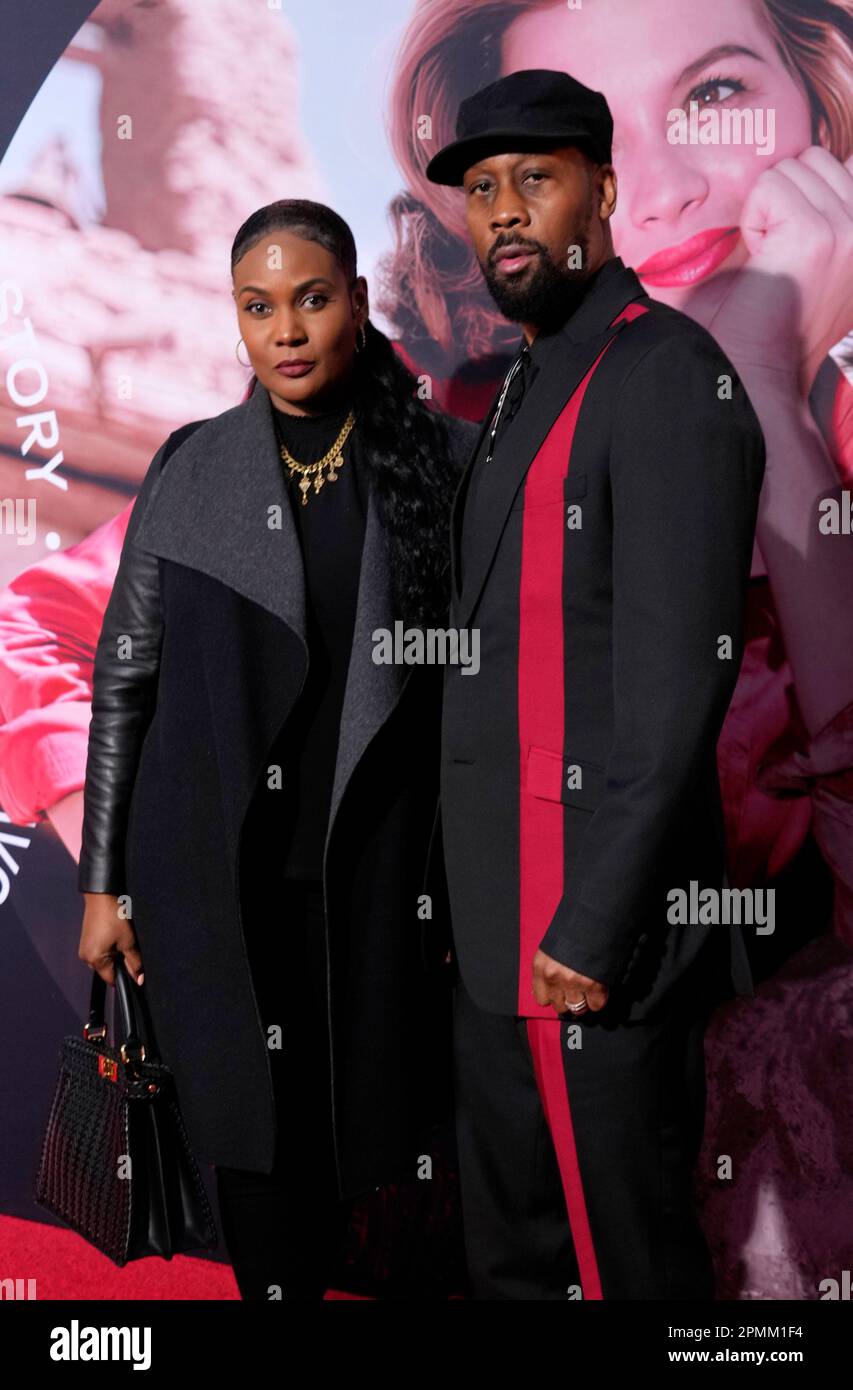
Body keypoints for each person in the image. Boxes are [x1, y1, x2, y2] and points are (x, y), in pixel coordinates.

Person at [383, 0, 853, 949]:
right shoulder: (424, 414)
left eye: (715, 94)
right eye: (582, 139)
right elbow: (46, 638)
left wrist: (764, 394)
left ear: (817, 104)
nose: (663, 191)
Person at [75, 198, 477, 1299]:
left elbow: (483, 693)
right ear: (238, 323)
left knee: (354, 1152)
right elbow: (125, 678)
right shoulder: (190, 466)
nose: (286, 330)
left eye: (309, 299)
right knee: (251, 1152)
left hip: (377, 885)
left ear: (354, 300)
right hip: (212, 883)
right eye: (259, 308)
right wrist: (104, 880)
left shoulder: (443, 460)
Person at [427, 68, 766, 1298]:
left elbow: (682, 683)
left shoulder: (669, 374)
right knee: (513, 1261)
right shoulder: (520, 382)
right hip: (489, 924)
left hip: (583, 931)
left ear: (603, 191)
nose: (505, 210)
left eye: (536, 179)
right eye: (481, 190)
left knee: (626, 1264)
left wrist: (592, 920)